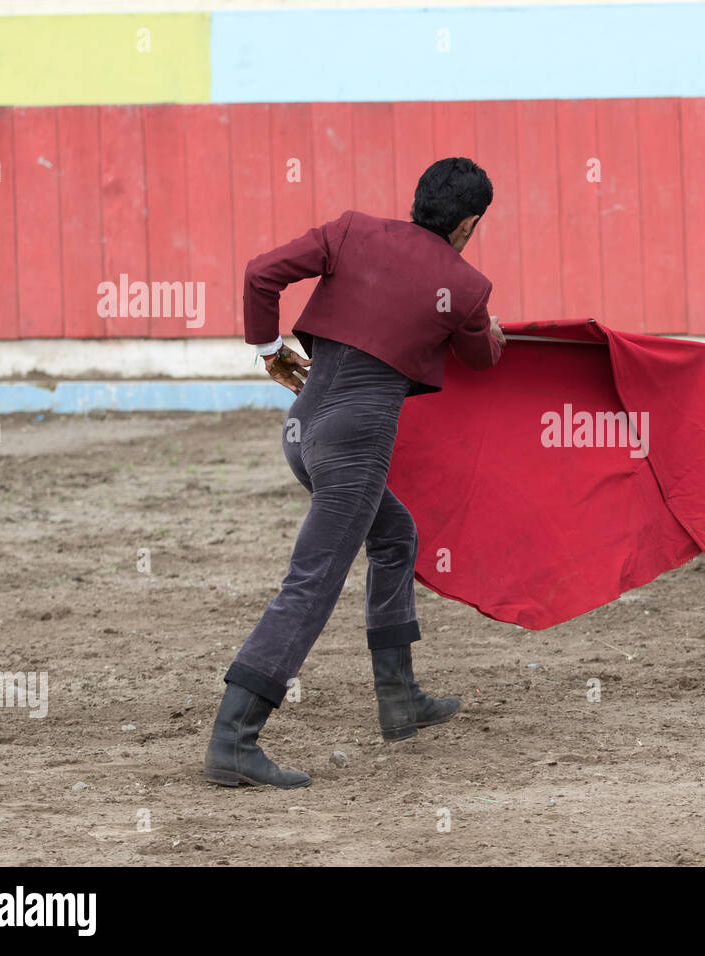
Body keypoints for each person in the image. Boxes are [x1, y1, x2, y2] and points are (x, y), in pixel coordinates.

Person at [203, 157, 505, 789]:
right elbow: (480, 359)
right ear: (470, 223)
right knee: (311, 582)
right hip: (356, 446)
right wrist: (492, 332)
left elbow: (262, 273)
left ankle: (400, 701)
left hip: (302, 427)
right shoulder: (467, 287)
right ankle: (233, 739)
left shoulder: (351, 231)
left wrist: (266, 349)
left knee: (395, 537)